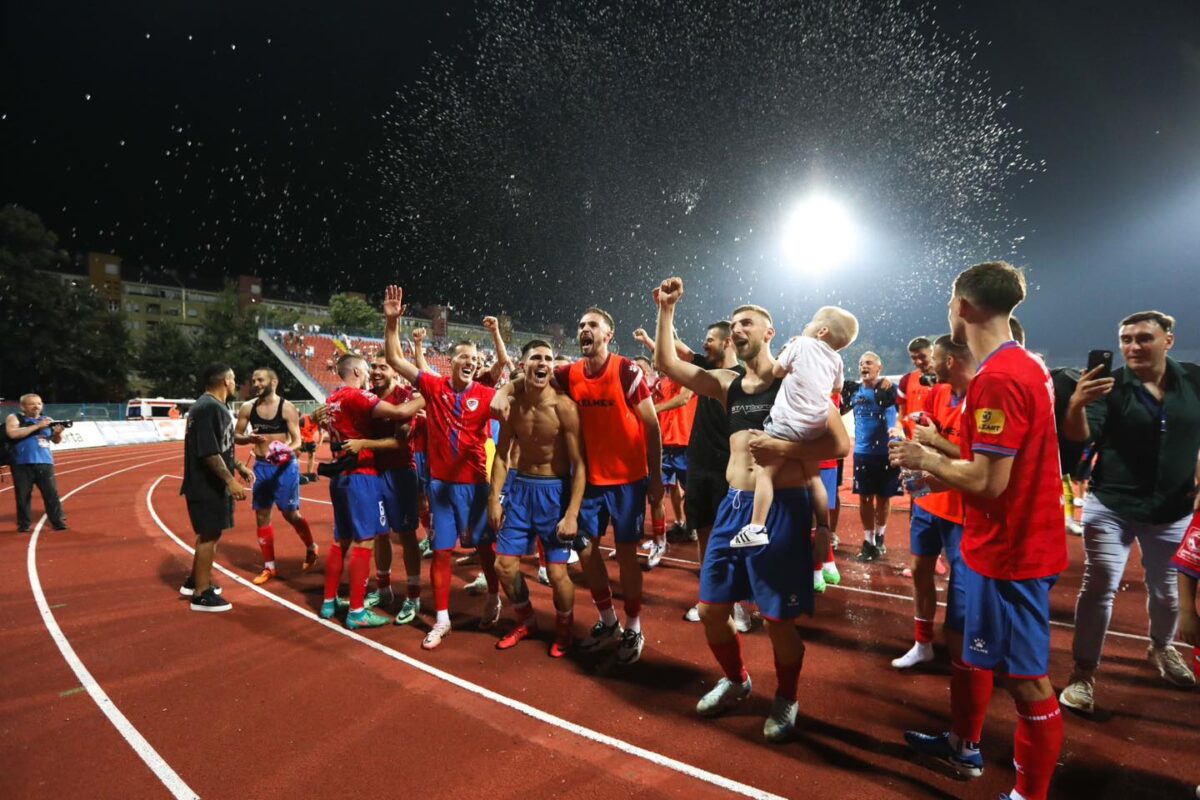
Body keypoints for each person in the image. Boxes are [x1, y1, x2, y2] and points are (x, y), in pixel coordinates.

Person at [890, 260, 1066, 800]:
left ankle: (1028, 795)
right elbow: (984, 463)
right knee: (968, 646)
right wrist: (935, 469)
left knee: (1028, 681)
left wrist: (926, 458)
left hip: (1012, 552)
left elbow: (989, 482)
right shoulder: (1025, 365)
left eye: (950, 304)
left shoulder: (999, 378)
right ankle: (963, 745)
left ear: (963, 308)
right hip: (1002, 542)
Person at [653, 277, 850, 742]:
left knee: (778, 618)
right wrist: (666, 310)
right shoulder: (728, 384)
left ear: (769, 332)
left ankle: (786, 697)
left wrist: (781, 446)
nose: (737, 329)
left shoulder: (797, 381)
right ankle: (738, 680)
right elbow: (667, 362)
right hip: (732, 506)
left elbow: (840, 444)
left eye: (747, 323)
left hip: (782, 508)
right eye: (734, 324)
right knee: (711, 607)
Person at [491, 305, 664, 666]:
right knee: (586, 553)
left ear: (608, 335)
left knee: (628, 557)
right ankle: (607, 619)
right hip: (590, 483)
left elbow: (651, 426)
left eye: (593, 325)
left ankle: (633, 626)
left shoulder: (627, 370)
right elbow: (529, 375)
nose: (584, 329)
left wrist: (656, 479)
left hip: (628, 481)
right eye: (581, 324)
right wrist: (503, 391)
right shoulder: (569, 374)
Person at [1058, 310, 1200, 713]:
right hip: (1112, 505)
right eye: (1126, 339)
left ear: (1168, 340)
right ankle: (1083, 673)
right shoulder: (1110, 386)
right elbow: (1081, 435)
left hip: (1173, 509)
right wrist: (1077, 404)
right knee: (1099, 586)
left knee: (1168, 593)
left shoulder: (1195, 380)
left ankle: (1161, 647)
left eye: (1144, 338)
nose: (1133, 347)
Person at [384, 286, 501, 650]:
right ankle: (443, 619)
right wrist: (391, 322)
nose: (471, 361)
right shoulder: (433, 387)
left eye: (475, 358)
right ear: (451, 361)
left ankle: (494, 597)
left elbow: (508, 387)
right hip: (441, 488)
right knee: (443, 550)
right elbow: (395, 360)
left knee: (485, 548)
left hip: (476, 486)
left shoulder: (486, 392)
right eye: (465, 356)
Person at [730, 306, 858, 549]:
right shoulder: (837, 359)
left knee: (765, 472)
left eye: (811, 321)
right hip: (816, 425)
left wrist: (789, 360)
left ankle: (756, 527)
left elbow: (777, 371)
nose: (806, 326)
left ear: (821, 331)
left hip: (788, 423)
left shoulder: (801, 344)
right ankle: (823, 527)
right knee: (813, 476)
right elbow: (837, 389)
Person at [489, 339, 587, 656]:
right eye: (535, 358)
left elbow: (579, 465)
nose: (542, 363)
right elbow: (502, 456)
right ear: (524, 365)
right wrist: (494, 498)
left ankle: (564, 627)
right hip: (520, 491)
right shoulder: (513, 405)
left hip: (553, 492)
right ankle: (527, 619)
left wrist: (572, 513)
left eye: (548, 358)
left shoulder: (564, 408)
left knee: (558, 574)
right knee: (504, 566)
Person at [318, 353, 423, 630]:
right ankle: (382, 588)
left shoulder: (402, 396)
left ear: (395, 372)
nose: (375, 371)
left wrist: (433, 392)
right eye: (372, 366)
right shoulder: (365, 396)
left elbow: (401, 442)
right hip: (367, 476)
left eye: (382, 367)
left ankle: (412, 596)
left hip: (398, 473)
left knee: (406, 535)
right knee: (376, 535)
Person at [891, 335, 975, 669]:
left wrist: (934, 443)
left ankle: (965, 658)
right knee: (918, 569)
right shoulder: (939, 392)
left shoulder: (984, 397)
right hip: (929, 500)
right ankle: (923, 643)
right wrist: (908, 445)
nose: (928, 364)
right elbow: (923, 430)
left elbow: (981, 459)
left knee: (963, 588)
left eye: (934, 358)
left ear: (950, 361)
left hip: (962, 506)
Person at [180, 364, 253, 612]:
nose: (235, 383)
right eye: (233, 378)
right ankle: (201, 594)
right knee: (209, 535)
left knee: (209, 533)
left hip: (208, 484)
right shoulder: (208, 407)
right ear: (226, 380)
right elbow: (209, 452)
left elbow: (221, 445)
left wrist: (239, 466)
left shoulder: (211, 406)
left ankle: (195, 581)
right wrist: (229, 480)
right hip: (205, 485)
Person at [235, 369, 318, 585]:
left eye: (260, 380)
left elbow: (297, 440)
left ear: (274, 381)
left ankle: (311, 547)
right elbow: (236, 435)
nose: (256, 383)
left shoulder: (287, 407)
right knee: (262, 515)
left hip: (285, 468)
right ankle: (269, 567)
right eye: (253, 380)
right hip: (262, 467)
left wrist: (285, 452)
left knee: (291, 515)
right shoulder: (247, 407)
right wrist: (247, 439)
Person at [841, 352, 899, 562]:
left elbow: (908, 406)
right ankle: (869, 540)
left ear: (879, 367)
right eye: (860, 363)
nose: (863, 366)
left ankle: (881, 535)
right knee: (865, 498)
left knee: (884, 498)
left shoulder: (889, 389)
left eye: (868, 363)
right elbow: (837, 409)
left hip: (886, 453)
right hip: (863, 453)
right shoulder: (854, 391)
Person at [6, 393, 67, 532]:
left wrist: (57, 433)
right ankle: (24, 524)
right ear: (23, 406)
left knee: (51, 494)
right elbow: (13, 434)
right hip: (21, 463)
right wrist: (37, 426)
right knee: (23, 496)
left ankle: (58, 522)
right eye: (32, 404)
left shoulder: (47, 419)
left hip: (45, 462)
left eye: (39, 403)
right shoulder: (15, 418)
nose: (36, 406)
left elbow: (56, 440)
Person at [896, 336, 937, 440]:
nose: (918, 361)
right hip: (914, 442)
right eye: (914, 358)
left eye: (922, 356)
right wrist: (897, 428)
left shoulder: (948, 379)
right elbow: (902, 414)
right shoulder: (906, 380)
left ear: (933, 353)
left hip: (941, 442)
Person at [298, 412, 325, 484]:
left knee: (312, 454)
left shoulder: (319, 422)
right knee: (297, 455)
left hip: (309, 439)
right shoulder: (303, 420)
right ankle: (297, 473)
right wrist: (300, 438)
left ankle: (309, 473)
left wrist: (320, 442)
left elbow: (321, 433)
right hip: (301, 438)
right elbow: (295, 429)